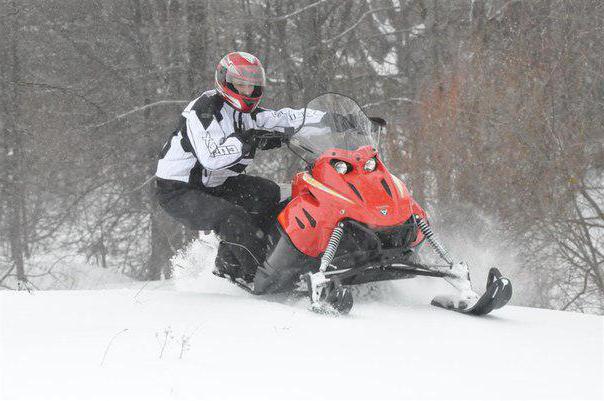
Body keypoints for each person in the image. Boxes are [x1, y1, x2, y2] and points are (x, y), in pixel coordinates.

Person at [154, 51, 306, 285]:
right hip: (179, 189)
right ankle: (256, 276)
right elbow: (211, 158)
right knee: (232, 217)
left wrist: (337, 120)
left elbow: (286, 117)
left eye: (252, 85)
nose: (247, 90)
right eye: (241, 84)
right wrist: (245, 140)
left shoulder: (245, 113)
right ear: (225, 81)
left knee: (267, 192)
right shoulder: (204, 110)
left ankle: (235, 263)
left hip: (214, 184)